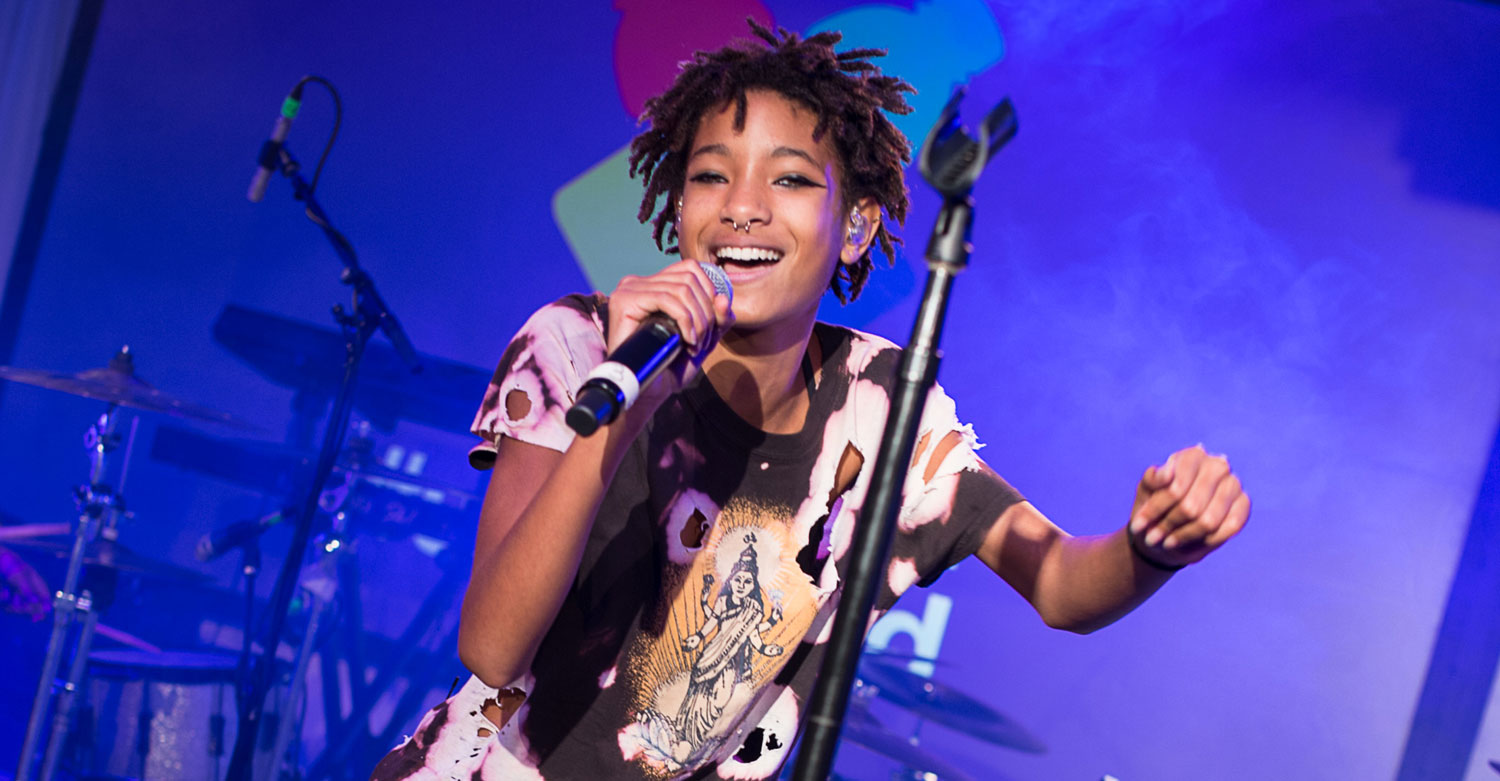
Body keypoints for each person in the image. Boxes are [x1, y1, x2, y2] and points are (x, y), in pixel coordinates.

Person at [372, 20, 1248, 781]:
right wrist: (627, 407)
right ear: (678, 203)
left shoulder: (881, 409)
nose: (744, 208)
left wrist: (1147, 548)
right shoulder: (579, 344)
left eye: (789, 179)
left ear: (856, 225)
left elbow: (1059, 583)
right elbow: (492, 647)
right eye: (711, 176)